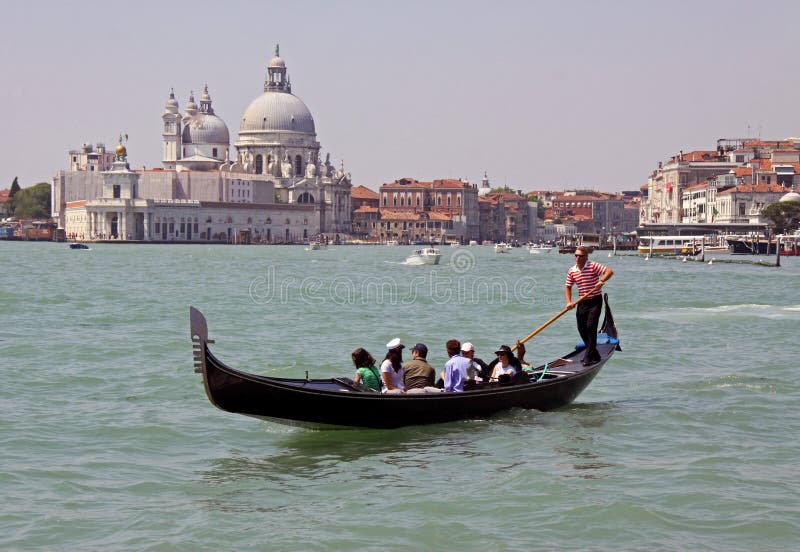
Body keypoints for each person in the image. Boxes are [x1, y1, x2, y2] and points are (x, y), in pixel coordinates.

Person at [565, 245, 613, 366]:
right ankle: (594, 353)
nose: (577, 258)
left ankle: (588, 356)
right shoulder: (572, 270)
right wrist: (569, 302)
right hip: (582, 301)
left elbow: (609, 272)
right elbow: (568, 287)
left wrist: (601, 281)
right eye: (576, 255)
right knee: (581, 328)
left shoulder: (593, 266)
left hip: (595, 300)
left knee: (591, 326)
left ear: (586, 257)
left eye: (580, 256)